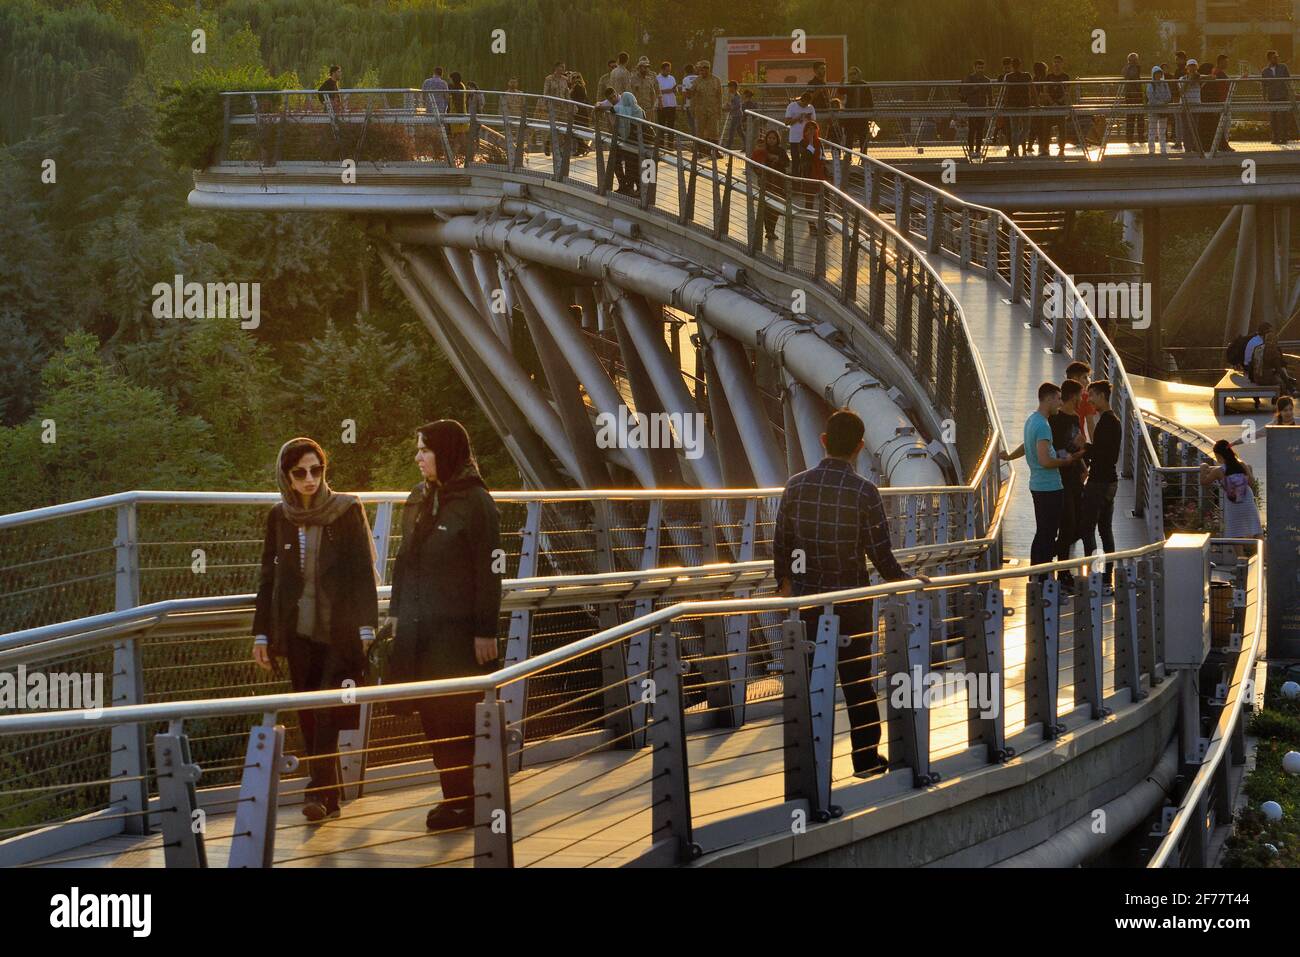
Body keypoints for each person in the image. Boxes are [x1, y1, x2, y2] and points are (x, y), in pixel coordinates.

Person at [772, 409, 929, 778]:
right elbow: (880, 553)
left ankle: (805, 769)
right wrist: (907, 580)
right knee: (858, 684)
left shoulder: (795, 486)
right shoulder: (865, 492)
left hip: (807, 603)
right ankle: (866, 762)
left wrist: (788, 588)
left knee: (807, 686)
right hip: (852, 603)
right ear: (860, 447)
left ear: (824, 441)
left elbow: (783, 546)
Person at [253, 438, 379, 823]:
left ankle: (318, 793)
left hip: (340, 630)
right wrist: (261, 635)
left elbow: (362, 574)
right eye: (300, 473)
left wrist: (367, 626)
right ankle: (331, 794)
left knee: (327, 709)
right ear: (286, 477)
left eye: (317, 470)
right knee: (309, 711)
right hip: (298, 632)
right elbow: (269, 578)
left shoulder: (346, 509)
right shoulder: (280, 516)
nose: (310, 479)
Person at [386, 420, 503, 832]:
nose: (418, 457)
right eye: (418, 450)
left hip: (458, 636)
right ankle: (454, 799)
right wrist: (396, 613)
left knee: (458, 716)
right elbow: (403, 561)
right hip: (420, 630)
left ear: (446, 453)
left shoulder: (476, 503)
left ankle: (471, 800)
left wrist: (485, 630)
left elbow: (490, 571)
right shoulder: (419, 498)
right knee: (433, 716)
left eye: (425, 450)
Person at [1013, 382, 1085, 577]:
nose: (1060, 403)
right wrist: (1067, 460)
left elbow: (1036, 453)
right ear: (1048, 398)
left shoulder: (1032, 421)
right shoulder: (1043, 426)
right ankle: (1043, 581)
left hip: (1038, 485)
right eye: (1057, 398)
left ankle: (1037, 576)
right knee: (1047, 534)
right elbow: (1045, 460)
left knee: (1043, 534)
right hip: (1049, 487)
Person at [1080, 380, 1122, 587]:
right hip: (1110, 481)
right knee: (1105, 529)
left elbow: (1103, 454)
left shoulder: (1107, 422)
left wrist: (1084, 447)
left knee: (1087, 528)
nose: (1090, 401)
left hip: (1099, 481)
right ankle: (1106, 578)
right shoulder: (1112, 421)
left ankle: (1095, 574)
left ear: (1102, 396)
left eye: (1092, 396)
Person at [1200, 439, 1261, 537]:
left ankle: (1240, 553)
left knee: (1235, 533)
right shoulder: (1242, 465)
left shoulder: (1218, 471)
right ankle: (1262, 551)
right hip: (1248, 501)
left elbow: (1204, 482)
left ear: (1218, 455)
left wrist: (1203, 468)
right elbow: (1252, 482)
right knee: (1256, 530)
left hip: (1233, 503)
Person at [751, 128, 788, 240]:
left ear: (777, 139)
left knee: (775, 208)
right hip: (766, 182)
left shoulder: (781, 151)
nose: (771, 140)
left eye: (774, 138)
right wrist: (760, 173)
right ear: (766, 139)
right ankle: (768, 231)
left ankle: (772, 230)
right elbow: (754, 164)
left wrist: (778, 159)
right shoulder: (762, 150)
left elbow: (787, 163)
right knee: (766, 207)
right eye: (769, 138)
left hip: (778, 183)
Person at [612, 90, 647, 196]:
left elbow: (614, 109)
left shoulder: (629, 110)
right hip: (639, 143)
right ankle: (635, 189)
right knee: (633, 164)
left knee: (634, 165)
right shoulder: (637, 109)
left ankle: (639, 190)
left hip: (638, 144)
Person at [1252, 326, 1297, 395]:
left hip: (1257, 379)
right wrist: (1290, 387)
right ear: (1274, 340)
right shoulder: (1273, 350)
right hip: (1266, 380)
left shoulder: (1257, 348)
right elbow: (1279, 370)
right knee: (1281, 383)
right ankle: (1284, 399)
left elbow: (1252, 365)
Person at [1003, 58, 1034, 159]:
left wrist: (1005, 104)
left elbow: (1006, 92)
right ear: (1020, 65)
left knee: (1015, 129)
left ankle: (1014, 148)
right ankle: (1015, 148)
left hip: (1017, 105)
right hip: (1022, 105)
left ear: (1012, 66)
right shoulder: (1025, 75)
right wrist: (1036, 103)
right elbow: (1032, 89)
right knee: (1025, 129)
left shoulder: (1010, 76)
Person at [961, 59, 992, 157]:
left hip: (982, 108)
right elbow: (963, 92)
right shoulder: (969, 79)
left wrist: (991, 105)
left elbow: (990, 94)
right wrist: (973, 89)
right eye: (978, 68)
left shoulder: (987, 80)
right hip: (972, 108)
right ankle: (971, 149)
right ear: (974, 67)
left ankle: (978, 150)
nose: (980, 70)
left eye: (982, 68)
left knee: (980, 130)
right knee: (972, 129)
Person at [1262, 50, 1293, 143]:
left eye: (1277, 57)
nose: (1276, 59)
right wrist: (1264, 97)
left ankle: (1284, 138)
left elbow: (1288, 80)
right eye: (1274, 57)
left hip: (1283, 95)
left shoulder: (1283, 67)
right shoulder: (1265, 71)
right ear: (1269, 59)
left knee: (1283, 117)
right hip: (1272, 97)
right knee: (1273, 118)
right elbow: (1263, 85)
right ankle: (1275, 138)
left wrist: (1291, 93)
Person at [1044, 55, 1072, 156]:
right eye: (1055, 62)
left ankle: (1062, 148)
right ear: (1052, 63)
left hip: (1061, 106)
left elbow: (1067, 92)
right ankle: (1046, 148)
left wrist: (1059, 102)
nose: (1056, 64)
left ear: (1062, 64)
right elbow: (1045, 91)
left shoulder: (1065, 77)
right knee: (1047, 128)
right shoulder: (1048, 77)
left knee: (1062, 128)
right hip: (1050, 106)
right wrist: (1051, 102)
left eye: (1058, 62)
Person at [541, 60, 569, 156]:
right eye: (561, 67)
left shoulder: (565, 79)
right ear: (556, 68)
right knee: (553, 127)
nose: (563, 69)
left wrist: (571, 105)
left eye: (564, 67)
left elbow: (566, 93)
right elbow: (545, 92)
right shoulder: (549, 79)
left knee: (562, 128)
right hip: (553, 106)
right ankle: (548, 144)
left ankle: (560, 150)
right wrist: (544, 105)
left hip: (563, 107)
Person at [785, 91, 816, 176]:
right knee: (796, 161)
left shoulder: (810, 107)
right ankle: (795, 181)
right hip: (795, 139)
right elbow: (787, 122)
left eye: (808, 104)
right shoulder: (792, 106)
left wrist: (809, 118)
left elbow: (814, 122)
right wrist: (798, 117)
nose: (806, 106)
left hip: (806, 139)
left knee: (806, 161)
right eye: (804, 104)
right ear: (801, 100)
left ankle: (805, 179)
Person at [691, 60, 723, 144]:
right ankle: (702, 150)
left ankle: (715, 150)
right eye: (701, 69)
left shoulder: (716, 80)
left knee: (714, 132)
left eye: (706, 69)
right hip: (700, 111)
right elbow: (692, 95)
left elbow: (719, 96)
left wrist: (719, 111)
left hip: (713, 111)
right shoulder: (697, 81)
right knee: (700, 132)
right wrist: (692, 109)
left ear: (709, 69)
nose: (703, 71)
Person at [1065, 360, 1096, 440]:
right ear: (1075, 379)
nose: (1088, 381)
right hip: (1078, 444)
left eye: (1088, 377)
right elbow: (1090, 425)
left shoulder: (1059, 396)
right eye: (1085, 377)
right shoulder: (1086, 398)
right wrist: (1095, 448)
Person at [1180, 59, 1203, 152]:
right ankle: (1187, 148)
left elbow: (1212, 77)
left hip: (1196, 106)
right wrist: (1190, 79)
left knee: (1195, 127)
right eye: (1190, 66)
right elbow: (1182, 91)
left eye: (1194, 66)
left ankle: (1195, 147)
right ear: (1187, 67)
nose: (1192, 68)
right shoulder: (1182, 79)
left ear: (1197, 67)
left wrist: (1199, 77)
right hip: (1185, 106)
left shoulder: (1199, 78)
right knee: (1186, 128)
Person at [1147, 66, 1171, 154]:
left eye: (1159, 73)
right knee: (1152, 131)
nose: (1158, 75)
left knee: (1162, 131)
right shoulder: (1150, 84)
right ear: (1153, 74)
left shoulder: (1165, 83)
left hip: (1163, 110)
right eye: (1156, 73)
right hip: (1153, 110)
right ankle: (1151, 150)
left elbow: (1169, 96)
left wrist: (1163, 102)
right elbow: (1150, 97)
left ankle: (1163, 149)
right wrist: (1161, 103)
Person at [1122, 52, 1145, 145]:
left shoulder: (1127, 68)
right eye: (1134, 59)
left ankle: (1132, 137)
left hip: (1133, 94)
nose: (1136, 61)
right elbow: (1133, 77)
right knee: (1136, 117)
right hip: (1133, 95)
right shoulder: (1132, 68)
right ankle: (1138, 137)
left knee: (1134, 118)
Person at [1031, 61, 1052, 157]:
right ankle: (1044, 146)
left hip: (1038, 105)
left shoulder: (1035, 79)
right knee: (1044, 127)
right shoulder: (1044, 79)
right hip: (1043, 105)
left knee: (1039, 127)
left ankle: (1041, 146)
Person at [655, 61, 679, 141]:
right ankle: (661, 145)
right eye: (666, 70)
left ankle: (670, 144)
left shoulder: (672, 78)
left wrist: (675, 90)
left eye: (669, 70)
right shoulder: (657, 78)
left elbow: (675, 90)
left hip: (672, 104)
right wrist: (668, 90)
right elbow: (656, 91)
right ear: (662, 69)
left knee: (671, 126)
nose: (668, 72)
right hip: (662, 105)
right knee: (661, 126)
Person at [1170, 50, 1188, 148]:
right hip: (1178, 97)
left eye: (1178, 59)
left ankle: (1179, 142)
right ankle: (1180, 141)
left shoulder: (1183, 70)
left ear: (1183, 59)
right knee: (1179, 121)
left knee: (1179, 121)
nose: (1176, 61)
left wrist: (1176, 96)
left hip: (1181, 98)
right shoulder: (1179, 70)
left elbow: (1178, 85)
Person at [723, 80, 745, 148]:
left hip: (737, 116)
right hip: (735, 115)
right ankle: (746, 145)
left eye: (730, 87)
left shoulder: (737, 95)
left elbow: (737, 106)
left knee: (732, 130)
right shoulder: (733, 95)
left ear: (734, 87)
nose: (729, 89)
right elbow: (732, 104)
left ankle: (729, 145)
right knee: (740, 131)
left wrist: (729, 108)